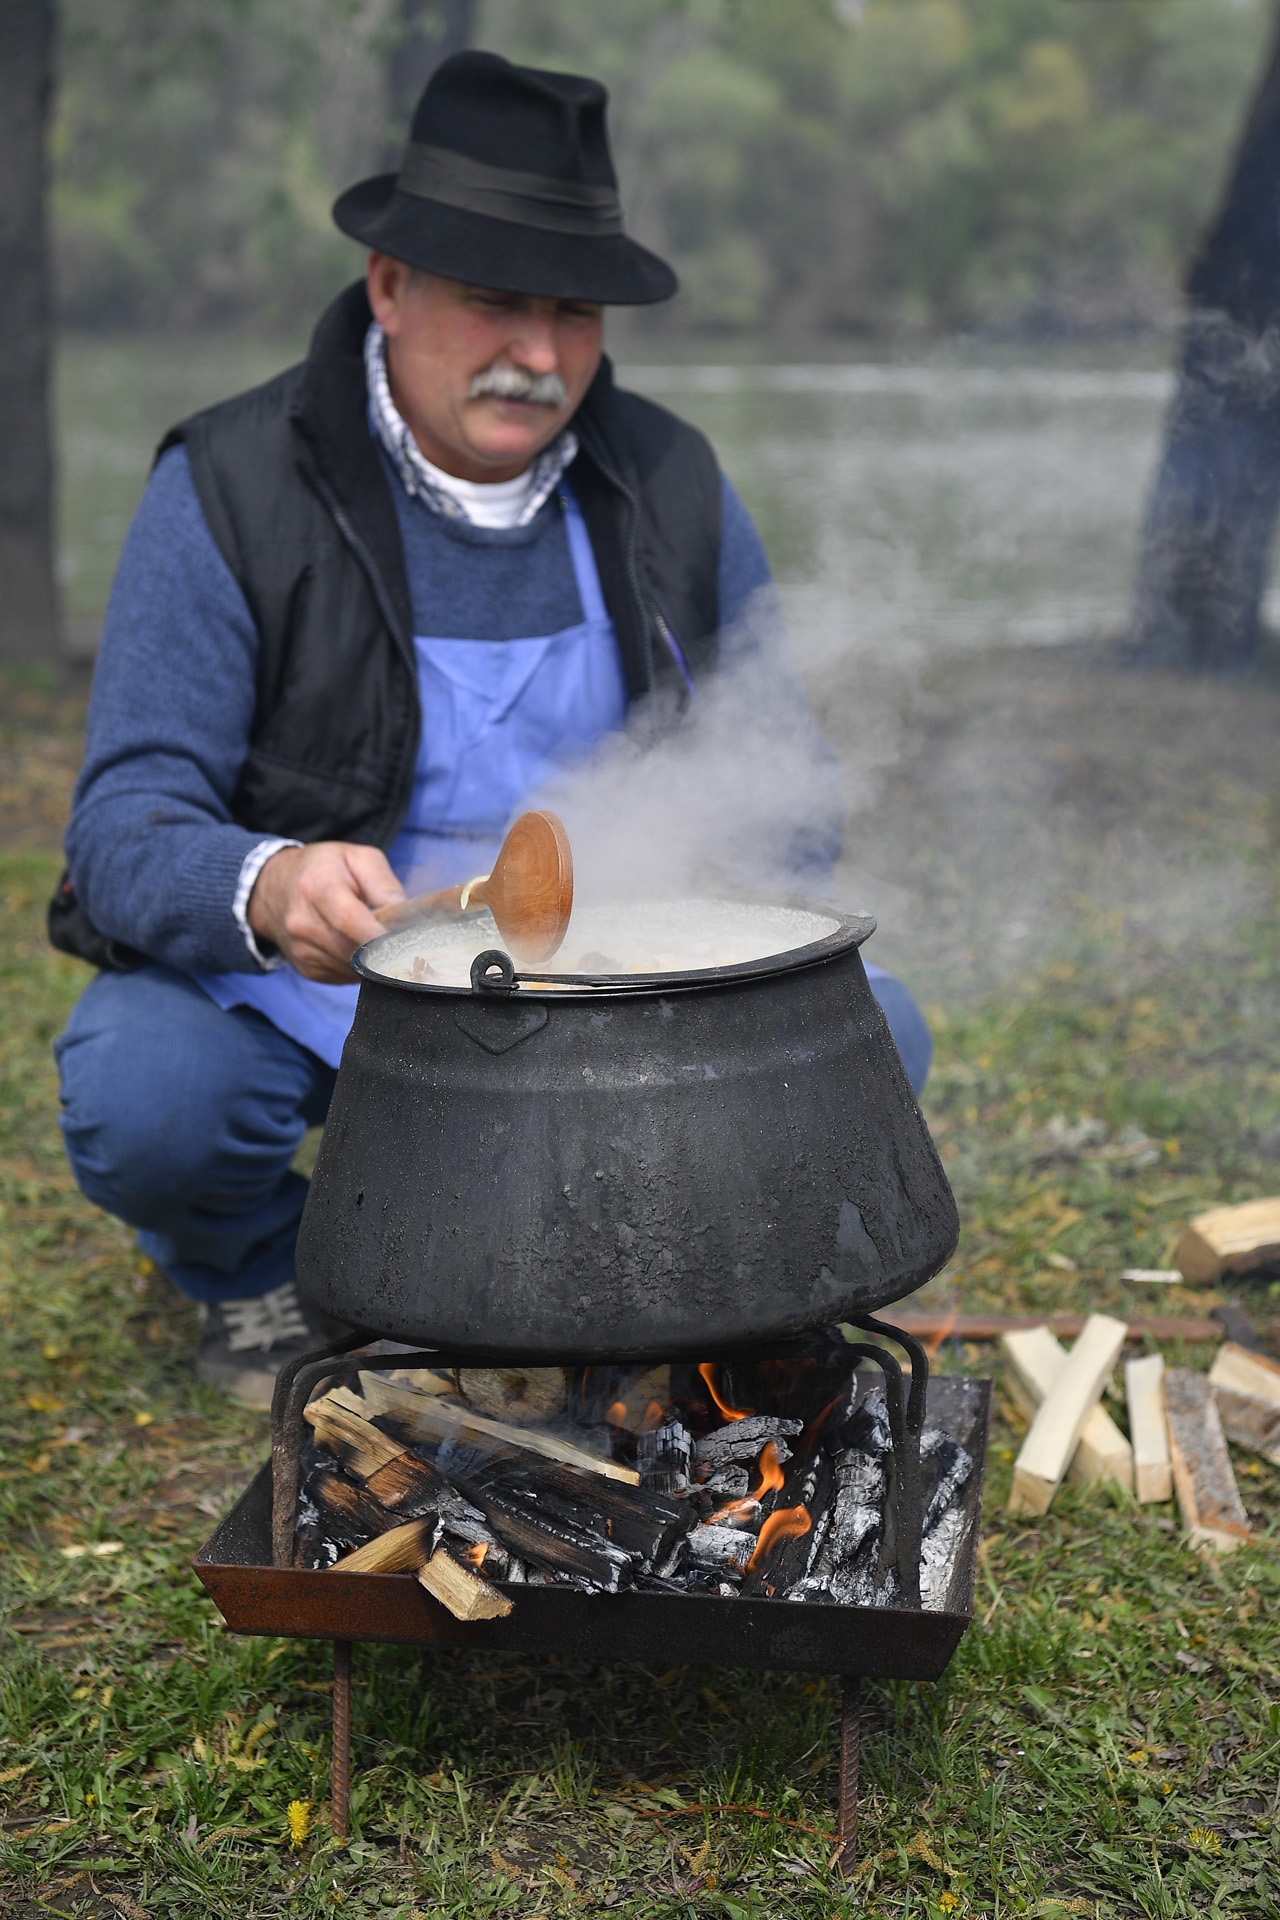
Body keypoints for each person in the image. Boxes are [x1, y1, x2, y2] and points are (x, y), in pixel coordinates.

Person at [51, 51, 933, 1407]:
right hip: (328, 990)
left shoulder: (673, 481)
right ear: (389, 287)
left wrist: (700, 851)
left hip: (604, 990)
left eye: (573, 313)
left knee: (876, 1030)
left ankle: (620, 1272)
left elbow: (794, 782)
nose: (539, 356)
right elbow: (122, 826)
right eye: (496, 304)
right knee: (146, 1090)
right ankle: (271, 1273)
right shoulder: (228, 487)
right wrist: (272, 882)